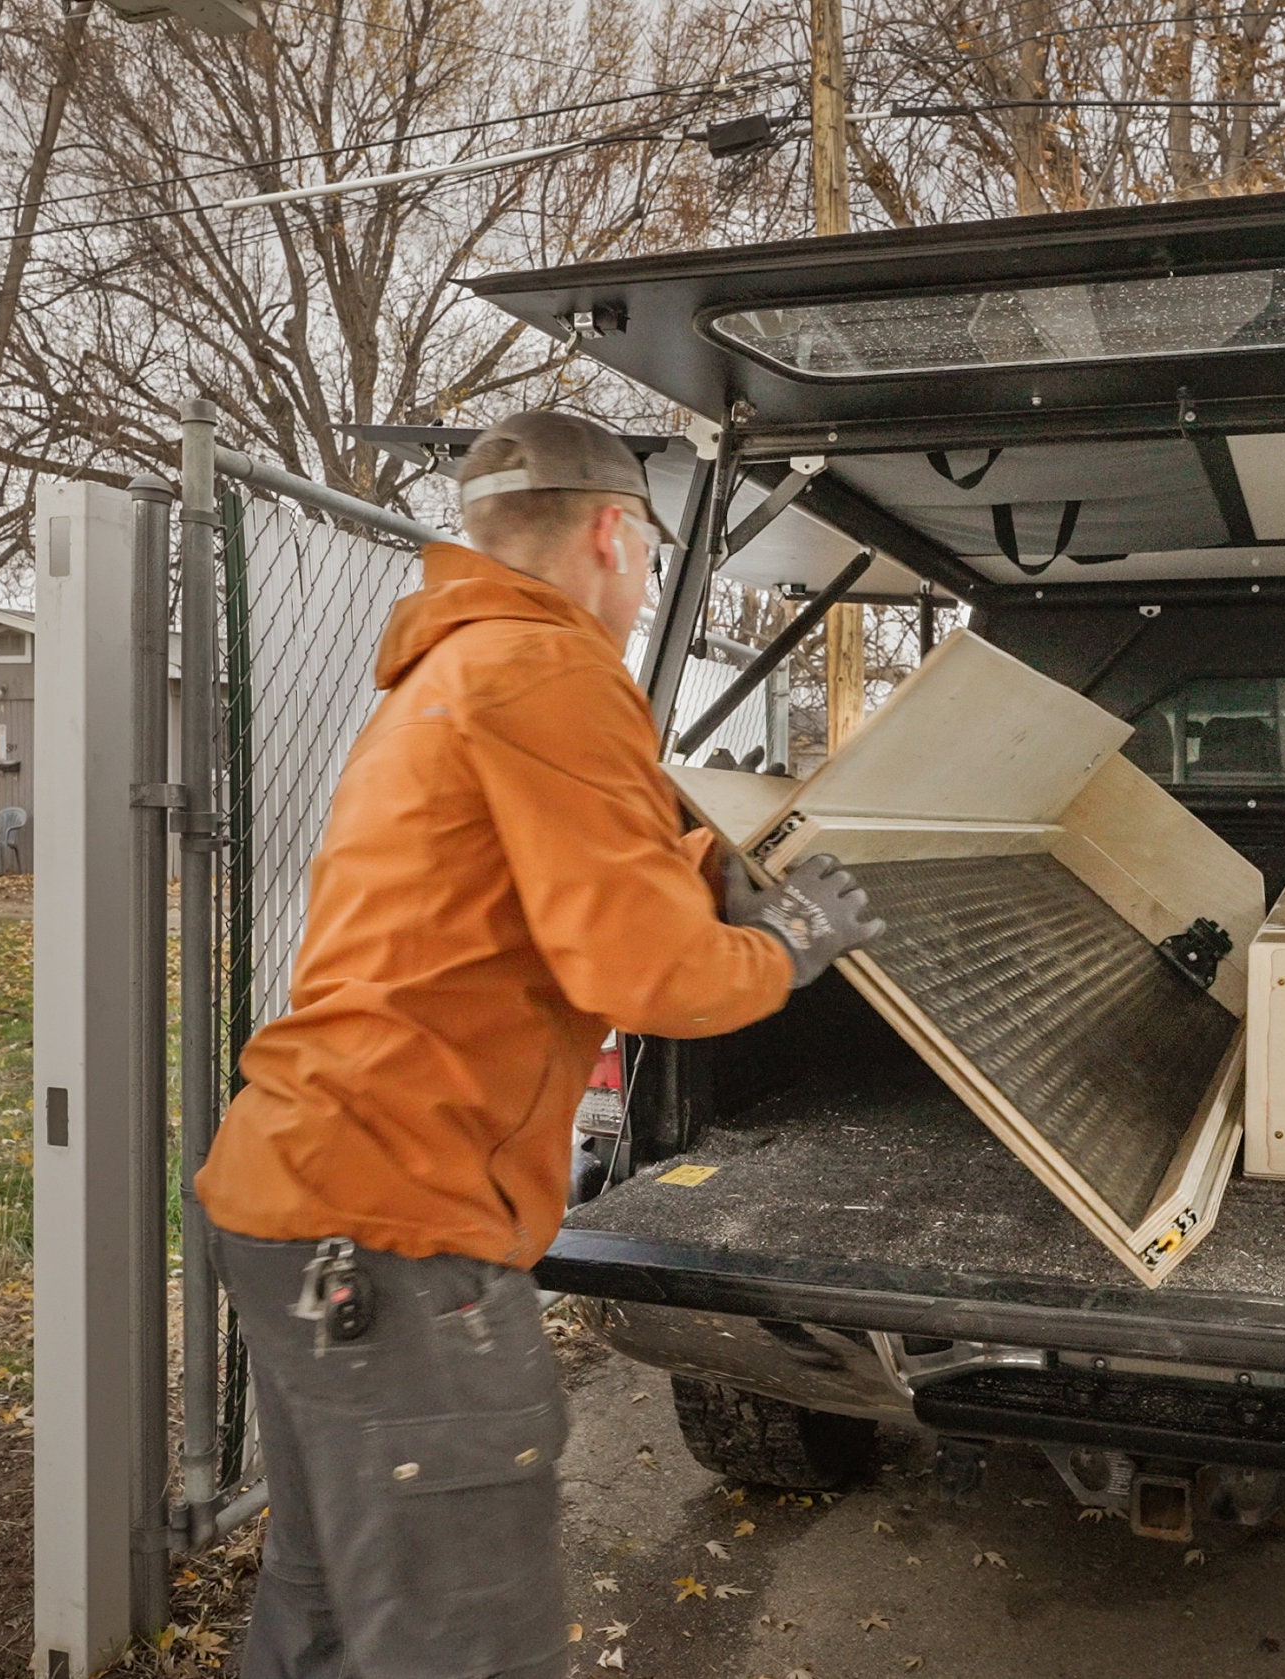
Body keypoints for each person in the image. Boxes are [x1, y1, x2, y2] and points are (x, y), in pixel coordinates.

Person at [195, 410, 883, 1679]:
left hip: (293, 1199)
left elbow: (532, 880)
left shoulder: (454, 669)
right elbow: (648, 972)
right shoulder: (554, 672)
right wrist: (786, 944)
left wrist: (696, 865)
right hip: (404, 1236)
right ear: (615, 535)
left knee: (330, 1616)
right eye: (642, 556)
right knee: (468, 1643)